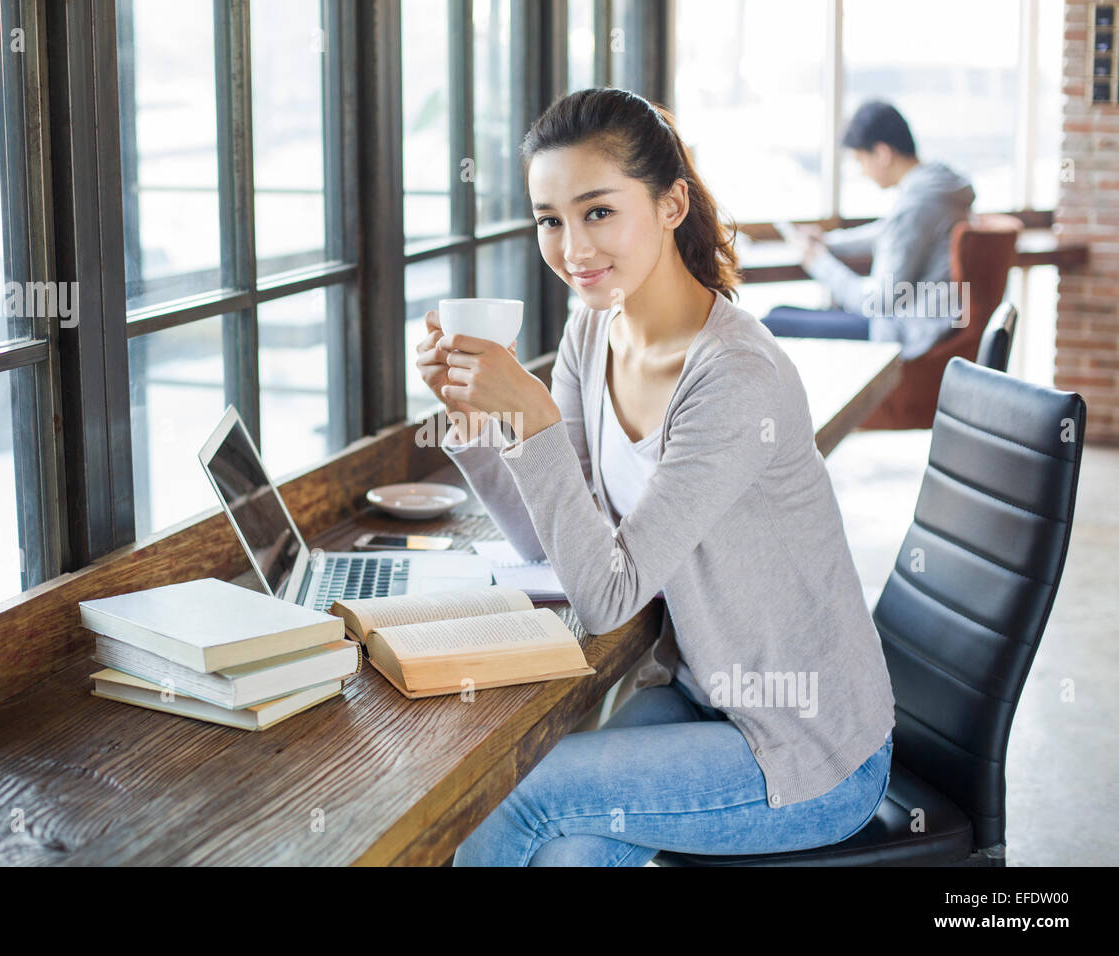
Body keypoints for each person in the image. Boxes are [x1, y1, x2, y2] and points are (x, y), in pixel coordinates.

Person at [412, 87, 895, 867]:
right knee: (569, 853)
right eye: (550, 219)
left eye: (598, 211)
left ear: (672, 204)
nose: (572, 248)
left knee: (517, 790)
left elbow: (607, 599)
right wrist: (474, 416)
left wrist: (530, 413)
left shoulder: (736, 376)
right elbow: (549, 538)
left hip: (806, 748)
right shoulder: (591, 327)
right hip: (701, 702)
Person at [762, 100, 976, 360]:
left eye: (860, 160)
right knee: (778, 313)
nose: (861, 171)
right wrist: (828, 242)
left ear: (882, 154)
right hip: (928, 324)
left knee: (771, 323)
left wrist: (817, 261)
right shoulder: (937, 188)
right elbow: (888, 232)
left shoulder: (918, 204)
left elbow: (879, 303)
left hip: (903, 333)